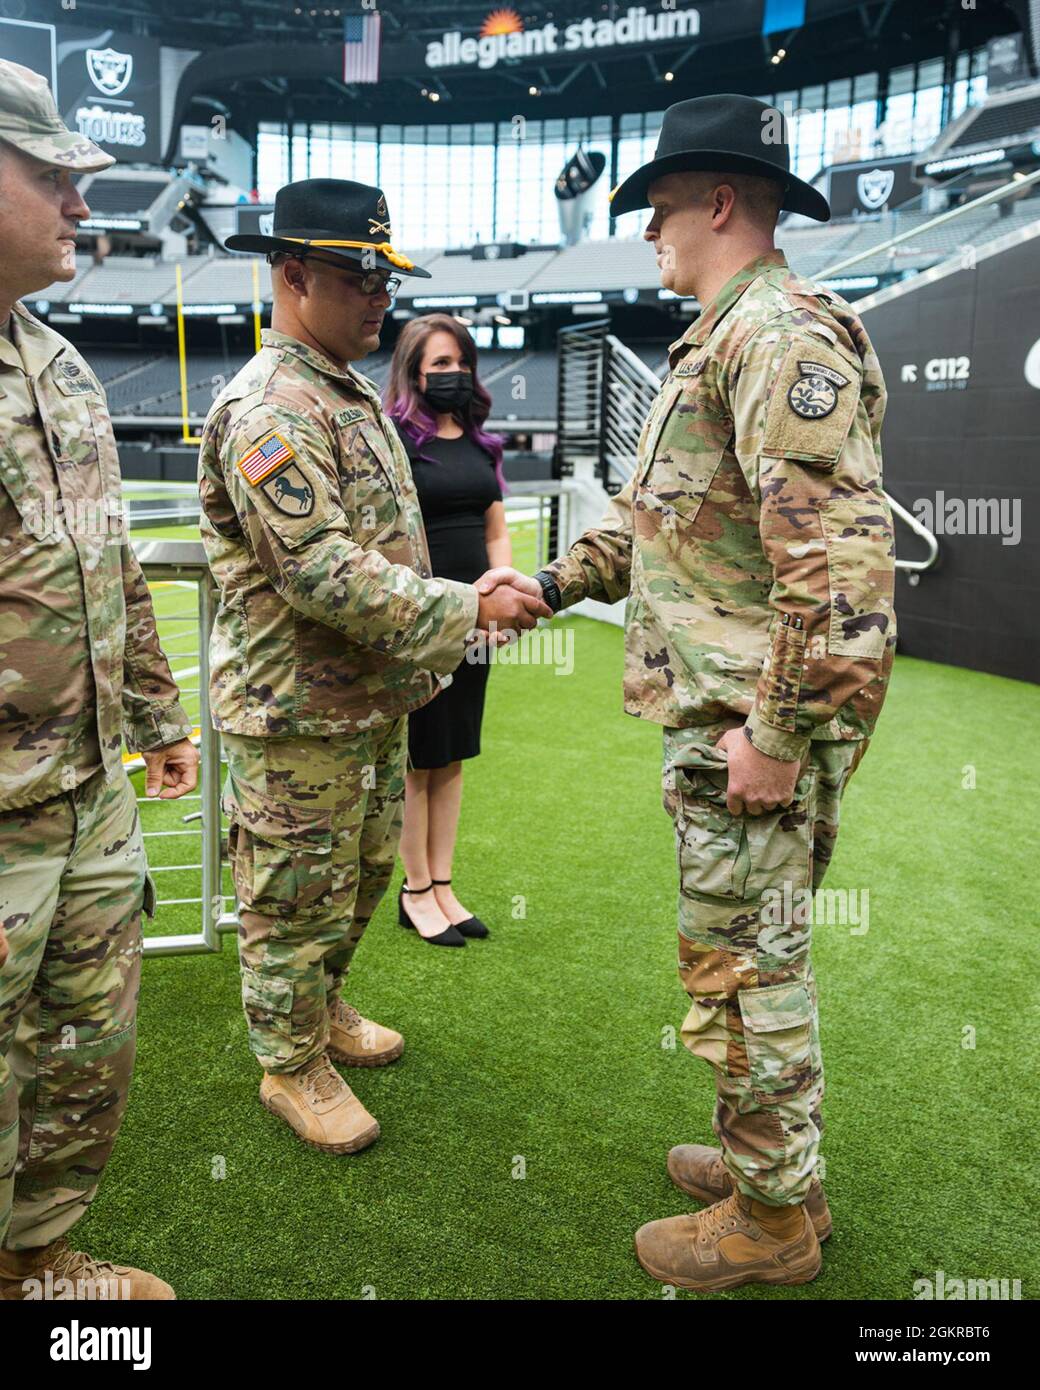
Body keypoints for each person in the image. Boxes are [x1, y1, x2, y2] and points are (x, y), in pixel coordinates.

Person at [483, 94, 896, 1291]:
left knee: (750, 965)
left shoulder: (776, 339)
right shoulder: (721, 339)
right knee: (732, 953)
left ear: (718, 202)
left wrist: (770, 730)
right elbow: (657, 528)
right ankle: (775, 1169)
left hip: (747, 726)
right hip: (721, 717)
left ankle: (770, 1225)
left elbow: (831, 570)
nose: (647, 235)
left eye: (658, 211)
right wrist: (550, 584)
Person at [199, 179, 548, 1155]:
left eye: (383, 275)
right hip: (294, 712)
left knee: (352, 885)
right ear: (294, 274)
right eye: (357, 275)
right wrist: (461, 607)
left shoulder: (344, 391)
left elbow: (390, 545)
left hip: (366, 704)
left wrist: (455, 608)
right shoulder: (270, 404)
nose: (377, 295)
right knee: (288, 896)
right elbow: (317, 567)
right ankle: (287, 1062)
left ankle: (325, 1011)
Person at [0, 60, 198, 1301]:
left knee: (86, 1047)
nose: (84, 203)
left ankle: (36, 1260)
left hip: (87, 792)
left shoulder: (63, 368)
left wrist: (161, 716)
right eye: (55, 177)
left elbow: (111, 563)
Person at [385, 315, 510, 946]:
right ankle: (415, 891)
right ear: (413, 370)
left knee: (454, 753)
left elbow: (495, 530)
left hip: (479, 623)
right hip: (426, 622)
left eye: (461, 362)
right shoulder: (397, 441)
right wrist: (440, 613)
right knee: (419, 758)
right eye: (439, 364)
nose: (453, 374)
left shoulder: (482, 442)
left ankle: (444, 883)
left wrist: (504, 592)